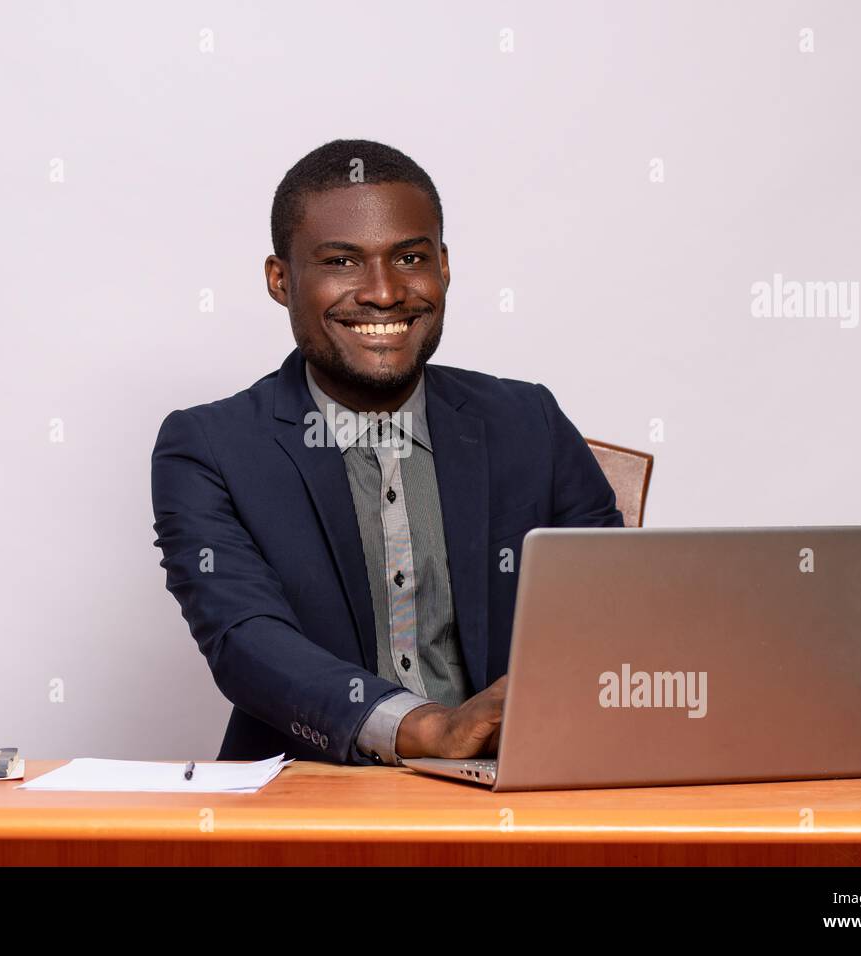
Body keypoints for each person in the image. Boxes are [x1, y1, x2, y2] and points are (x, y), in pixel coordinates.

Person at [151, 139, 623, 766]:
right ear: (280, 279)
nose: (383, 292)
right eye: (342, 261)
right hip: (308, 804)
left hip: (513, 793)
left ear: (445, 267)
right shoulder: (209, 448)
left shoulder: (527, 421)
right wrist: (426, 729)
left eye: (409, 257)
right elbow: (246, 639)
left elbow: (610, 606)